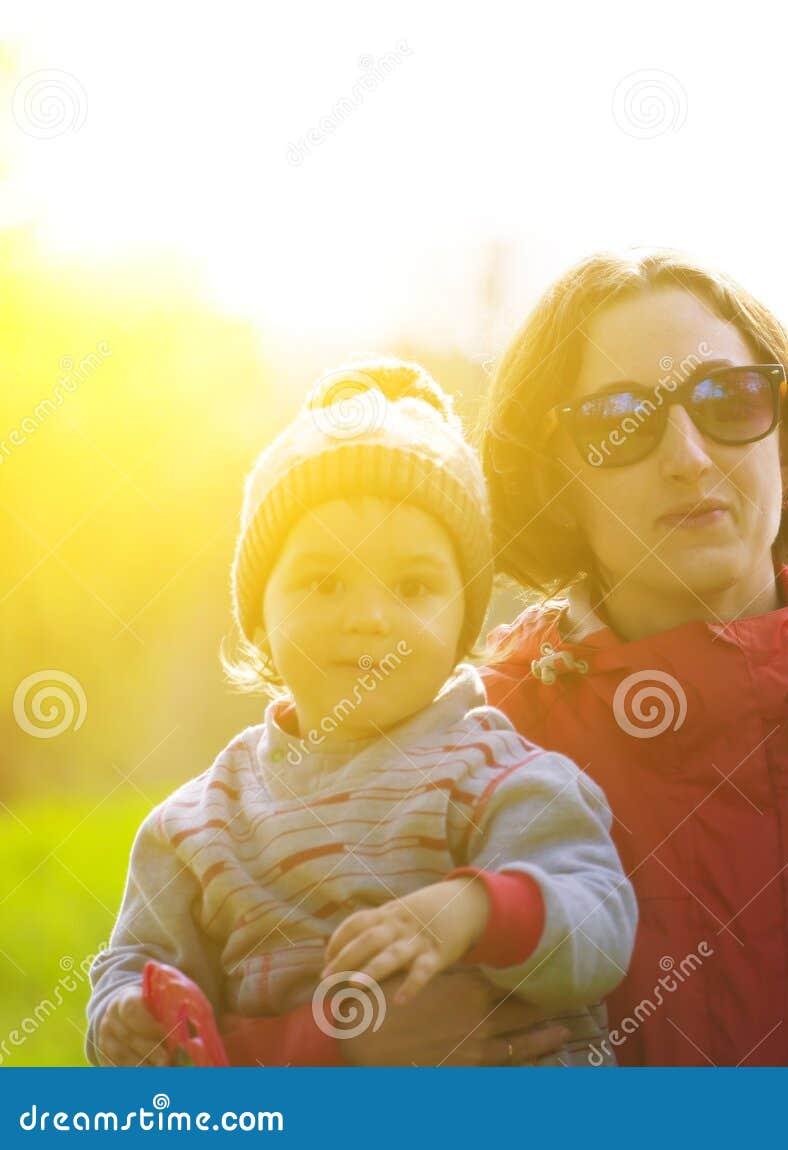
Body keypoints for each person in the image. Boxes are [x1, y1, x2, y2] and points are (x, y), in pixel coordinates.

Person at [85, 358, 636, 1067]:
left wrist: (473, 911)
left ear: (465, 624)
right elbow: (134, 963)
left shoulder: (499, 774)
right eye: (324, 581)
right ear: (259, 619)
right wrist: (128, 1016)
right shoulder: (197, 825)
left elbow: (600, 927)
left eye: (414, 584)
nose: (371, 617)